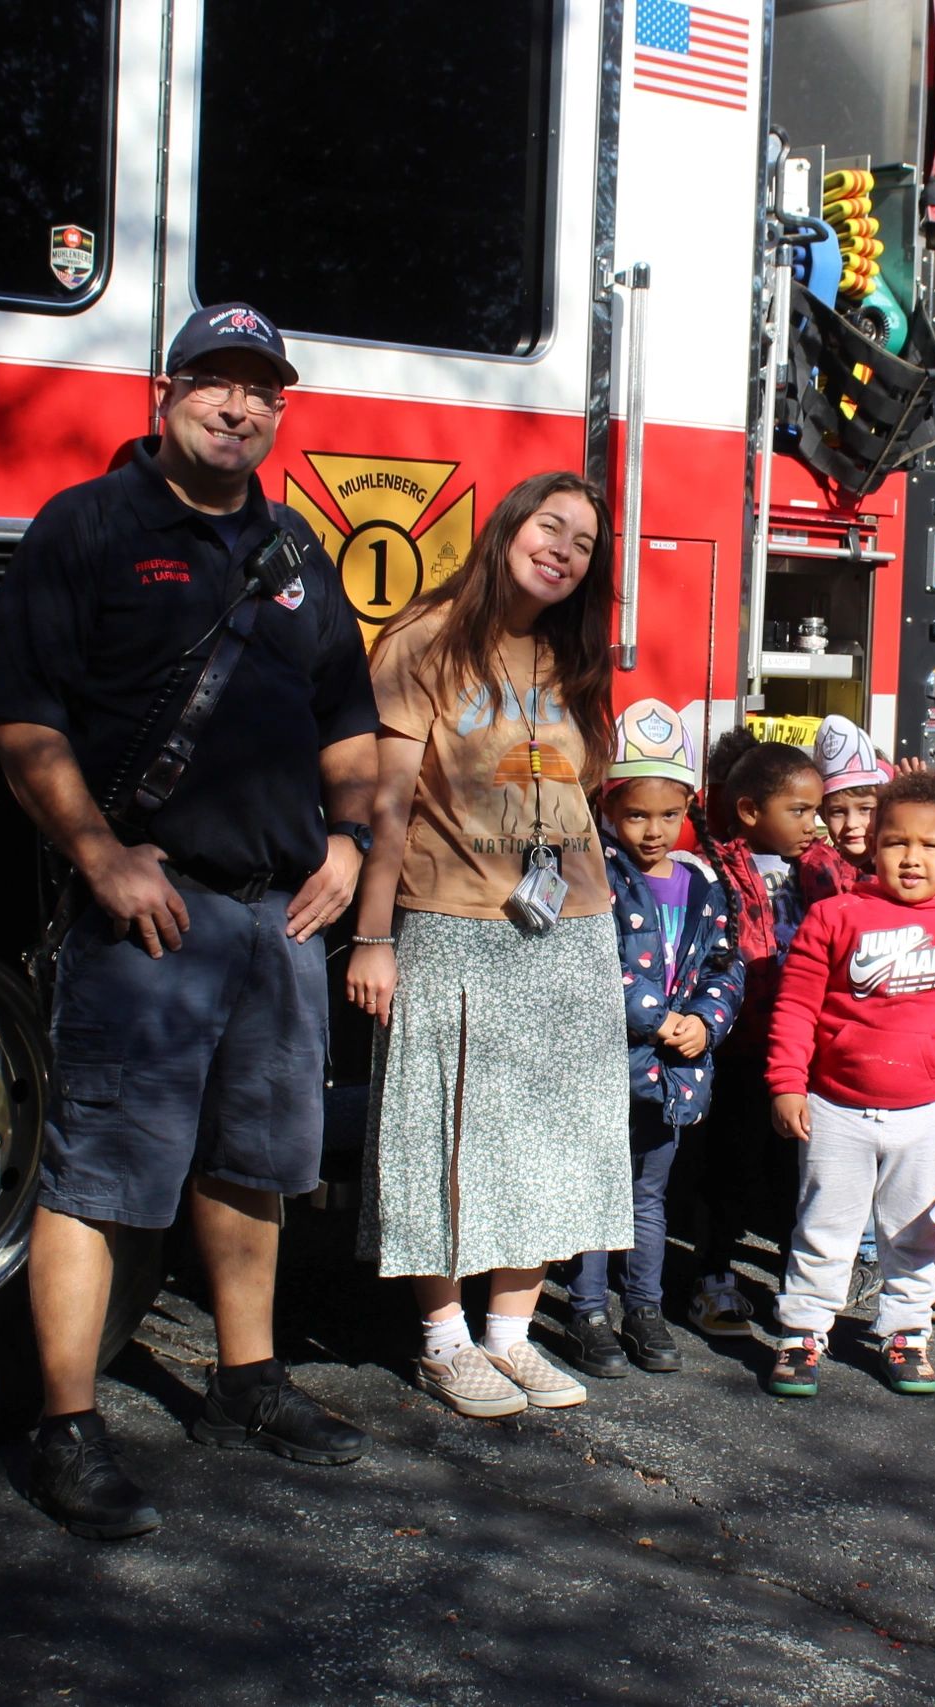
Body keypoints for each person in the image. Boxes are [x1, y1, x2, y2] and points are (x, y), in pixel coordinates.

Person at [0, 302, 373, 1540]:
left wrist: (353, 845)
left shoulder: (297, 553)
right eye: (216, 381)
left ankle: (244, 1385)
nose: (238, 406)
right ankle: (66, 1429)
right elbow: (19, 715)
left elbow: (346, 724)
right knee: (99, 1174)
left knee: (257, 1164)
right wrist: (98, 856)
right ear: (168, 390)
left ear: (279, 414)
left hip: (280, 924)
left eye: (261, 390)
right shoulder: (88, 528)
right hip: (155, 917)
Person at [346, 471, 630, 1421]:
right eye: (550, 527)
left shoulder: (571, 656)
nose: (563, 550)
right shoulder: (423, 639)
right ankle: (443, 1337)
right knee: (436, 1128)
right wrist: (374, 935)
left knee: (554, 1130)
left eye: (584, 543)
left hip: (571, 924)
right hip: (451, 917)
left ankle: (511, 1333)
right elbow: (388, 806)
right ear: (507, 527)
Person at [761, 770, 935, 1398]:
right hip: (836, 1108)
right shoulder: (833, 917)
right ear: (873, 843)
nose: (912, 858)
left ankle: (906, 1333)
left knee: (915, 1231)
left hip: (929, 1115)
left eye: (930, 846)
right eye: (897, 842)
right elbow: (795, 1007)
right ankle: (801, 1334)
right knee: (825, 1228)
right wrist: (786, 1083)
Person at [561, 701, 744, 1380]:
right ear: (609, 806)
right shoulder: (590, 871)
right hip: (610, 1063)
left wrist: (705, 1019)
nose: (654, 830)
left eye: (669, 815)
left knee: (648, 1195)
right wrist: (652, 1016)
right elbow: (582, 957)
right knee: (593, 1188)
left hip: (674, 1072)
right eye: (637, 814)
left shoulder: (699, 880)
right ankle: (586, 1311)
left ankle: (643, 1306)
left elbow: (726, 962)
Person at [681, 734, 857, 1335]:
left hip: (802, 1048)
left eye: (816, 810)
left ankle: (799, 1283)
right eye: (800, 811)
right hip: (736, 1047)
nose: (814, 825)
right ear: (751, 812)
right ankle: (712, 1278)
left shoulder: (825, 871)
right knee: (726, 1166)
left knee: (796, 1170)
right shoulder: (718, 870)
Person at [810, 714, 893, 870]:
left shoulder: (902, 874)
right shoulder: (813, 872)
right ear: (822, 814)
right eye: (837, 812)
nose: (851, 824)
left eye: (865, 809)